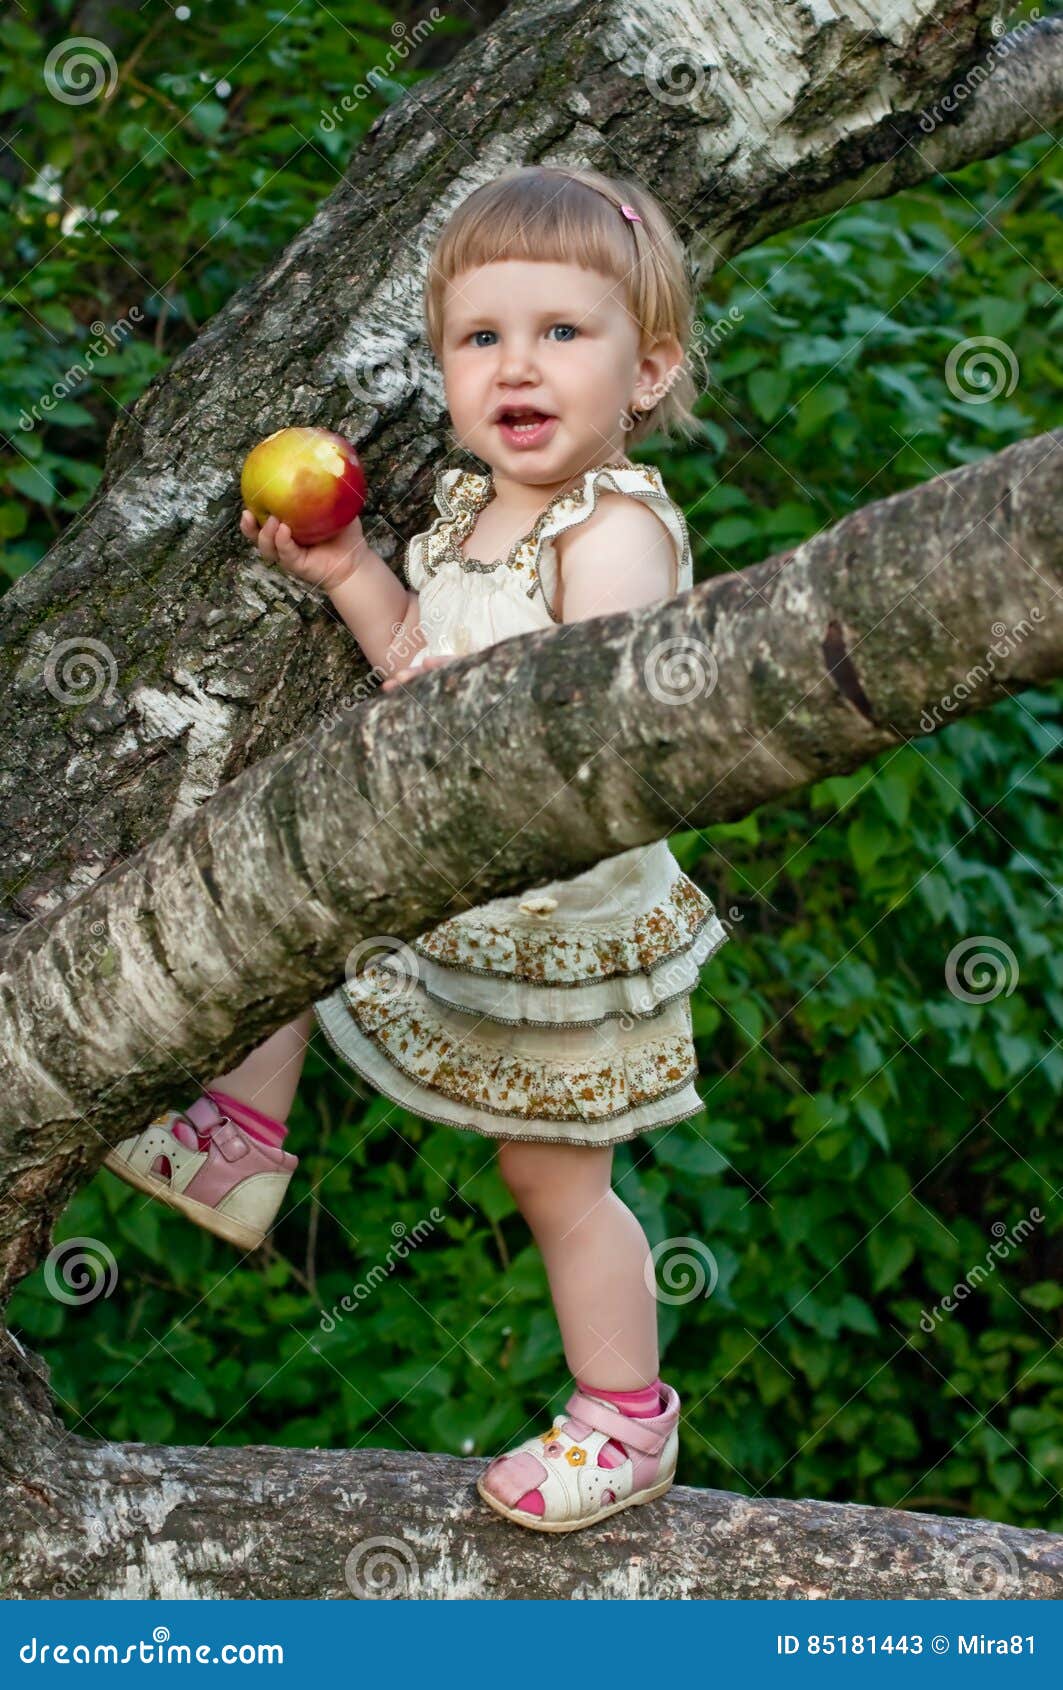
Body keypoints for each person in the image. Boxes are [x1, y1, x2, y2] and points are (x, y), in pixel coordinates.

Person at [104, 165, 730, 1531]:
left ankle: (623, 1417)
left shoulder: (611, 528)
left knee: (553, 1171)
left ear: (648, 368)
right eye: (480, 336)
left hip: (555, 900)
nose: (518, 364)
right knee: (293, 914)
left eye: (563, 332)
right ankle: (238, 1134)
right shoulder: (468, 512)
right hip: (454, 859)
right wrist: (345, 573)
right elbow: (416, 660)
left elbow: (586, 702)